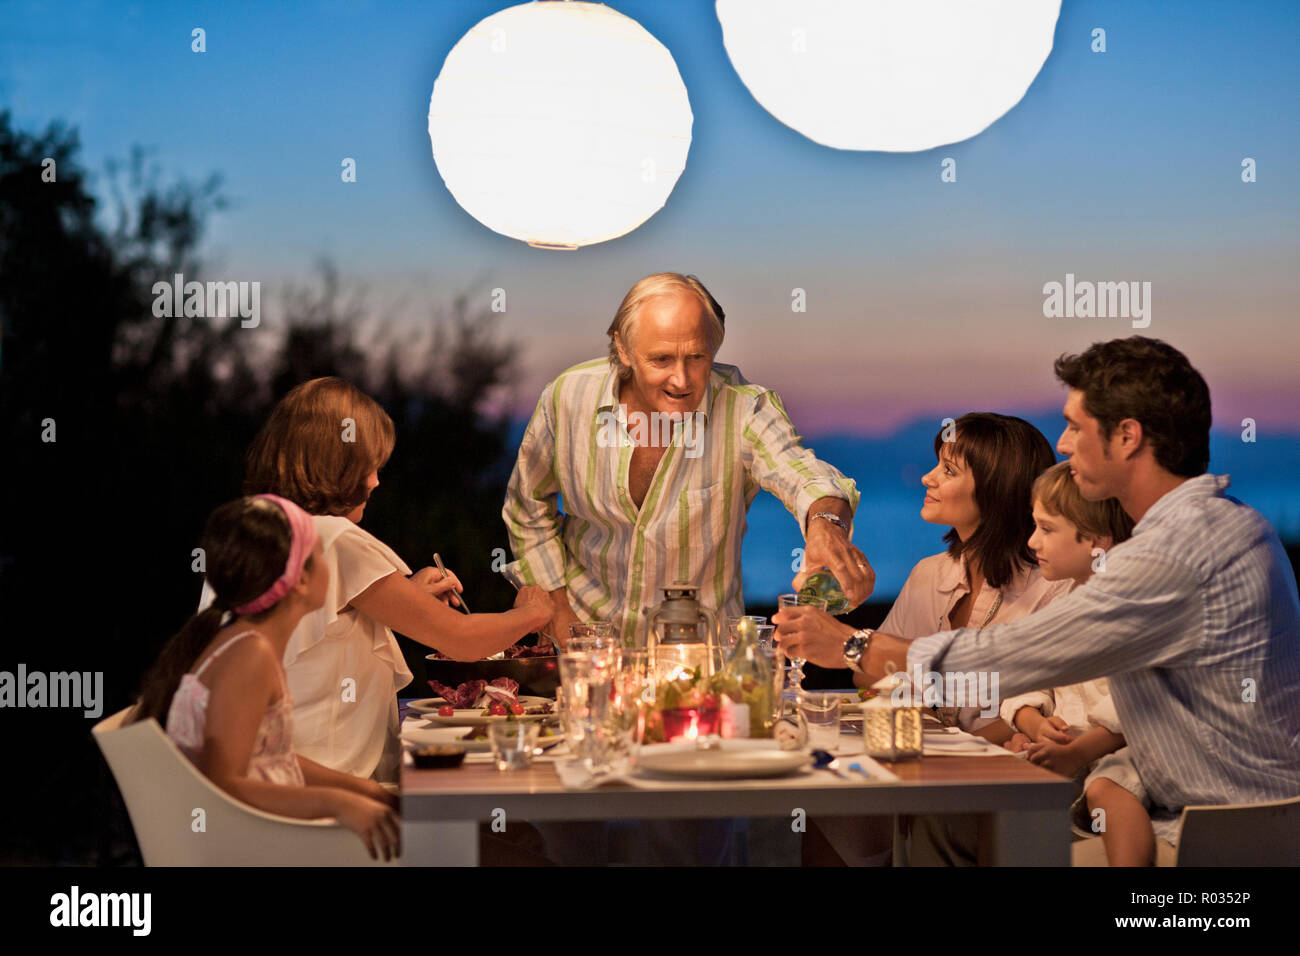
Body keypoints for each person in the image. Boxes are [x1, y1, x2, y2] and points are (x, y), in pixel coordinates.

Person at [776, 337, 1300, 863]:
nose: (1065, 444)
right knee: (927, 820)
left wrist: (851, 645)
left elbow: (1009, 658)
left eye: (1075, 426)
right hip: (1196, 815)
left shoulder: (1177, 553)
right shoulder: (1217, 525)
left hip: (1223, 839)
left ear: (1127, 437)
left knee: (948, 821)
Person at [502, 272, 872, 649]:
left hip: (704, 664)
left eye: (696, 357)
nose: (681, 380)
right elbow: (527, 508)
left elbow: (802, 472)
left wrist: (826, 523)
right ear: (624, 348)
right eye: (661, 359)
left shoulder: (744, 407)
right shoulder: (567, 397)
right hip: (586, 655)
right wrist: (560, 614)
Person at [217, 377, 553, 782]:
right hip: (330, 786)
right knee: (502, 821)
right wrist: (533, 613)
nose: (376, 481)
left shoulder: (252, 527)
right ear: (334, 465)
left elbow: (314, 630)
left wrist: (405, 595)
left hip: (263, 781)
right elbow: (463, 641)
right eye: (368, 466)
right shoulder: (333, 538)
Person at [134, 496, 401, 861]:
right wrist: (340, 804)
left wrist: (363, 791)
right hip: (252, 845)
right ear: (302, 580)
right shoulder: (249, 655)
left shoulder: (247, 644)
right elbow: (223, 784)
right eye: (321, 555)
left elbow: (271, 760)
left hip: (261, 834)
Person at [854, 412, 1071, 741]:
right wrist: (919, 711)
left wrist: (952, 744)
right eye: (936, 465)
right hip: (933, 759)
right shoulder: (929, 573)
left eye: (948, 470)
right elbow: (866, 673)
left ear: (996, 490)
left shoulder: (1054, 587)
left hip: (1004, 773)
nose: (928, 478)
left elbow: (1055, 708)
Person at [1004, 460, 1157, 865]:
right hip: (1073, 752)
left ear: (1096, 541)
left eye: (1047, 529)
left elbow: (1138, 699)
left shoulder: (1132, 606)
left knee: (1108, 789)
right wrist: (1033, 721)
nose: (1033, 541)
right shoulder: (1068, 603)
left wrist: (1080, 751)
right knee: (999, 780)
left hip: (1137, 751)